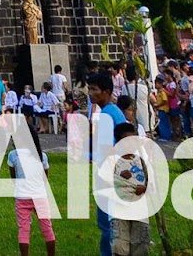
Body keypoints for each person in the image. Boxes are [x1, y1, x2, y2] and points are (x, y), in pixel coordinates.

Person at [86, 73, 128, 256]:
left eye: (94, 89)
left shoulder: (109, 114)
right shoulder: (109, 112)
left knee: (109, 224)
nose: (90, 93)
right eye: (89, 88)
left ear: (107, 92)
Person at [8, 115, 55, 256]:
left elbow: (14, 177)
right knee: (47, 228)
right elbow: (44, 177)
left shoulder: (13, 155)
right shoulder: (42, 156)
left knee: (23, 229)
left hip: (22, 196)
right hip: (40, 195)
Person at [109, 121, 150, 256]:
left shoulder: (141, 160)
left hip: (140, 208)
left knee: (139, 243)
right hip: (119, 209)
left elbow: (150, 179)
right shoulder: (112, 160)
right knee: (120, 243)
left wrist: (145, 187)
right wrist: (124, 180)